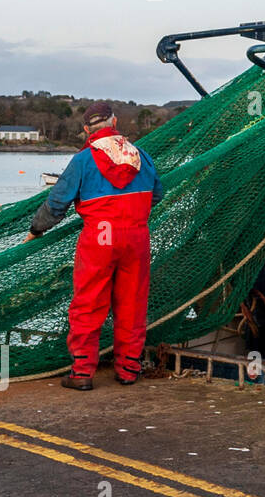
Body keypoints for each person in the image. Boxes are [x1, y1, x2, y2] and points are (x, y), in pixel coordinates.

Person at [25, 102, 163, 390]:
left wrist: (36, 230)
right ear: (114, 121)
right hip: (136, 238)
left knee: (89, 303)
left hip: (100, 238)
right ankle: (128, 370)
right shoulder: (141, 156)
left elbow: (56, 204)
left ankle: (82, 373)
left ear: (87, 129)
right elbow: (157, 195)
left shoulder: (83, 160)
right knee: (132, 304)